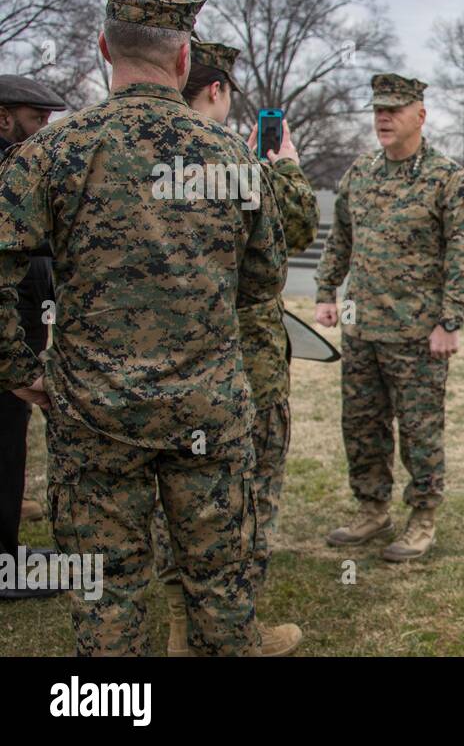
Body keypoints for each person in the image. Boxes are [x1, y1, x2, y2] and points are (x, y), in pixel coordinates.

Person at [0, 0, 284, 655]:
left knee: (106, 590)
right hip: (205, 410)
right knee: (219, 587)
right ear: (185, 60)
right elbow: (263, 278)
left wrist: (16, 366)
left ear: (104, 48)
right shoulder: (233, 159)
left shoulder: (51, 152)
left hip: (95, 413)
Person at [148, 38, 318, 656]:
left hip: (156, 372)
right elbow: (293, 234)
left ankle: (177, 625)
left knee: (175, 501)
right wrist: (284, 168)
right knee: (245, 500)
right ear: (216, 89)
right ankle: (234, 631)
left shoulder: (129, 148)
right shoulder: (236, 166)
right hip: (243, 370)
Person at [315, 73, 464, 563]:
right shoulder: (360, 173)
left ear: (420, 115)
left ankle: (423, 517)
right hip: (362, 329)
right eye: (377, 111)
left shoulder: (446, 179)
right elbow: (340, 238)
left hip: (417, 335)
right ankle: (372, 508)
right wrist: (327, 290)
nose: (383, 118)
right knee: (362, 427)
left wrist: (450, 320)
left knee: (419, 430)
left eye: (394, 110)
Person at [0, 75, 67, 601]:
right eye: (36, 119)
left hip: (18, 339)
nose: (44, 130)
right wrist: (15, 366)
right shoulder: (6, 172)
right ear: (5, 118)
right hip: (7, 349)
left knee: (11, 437)